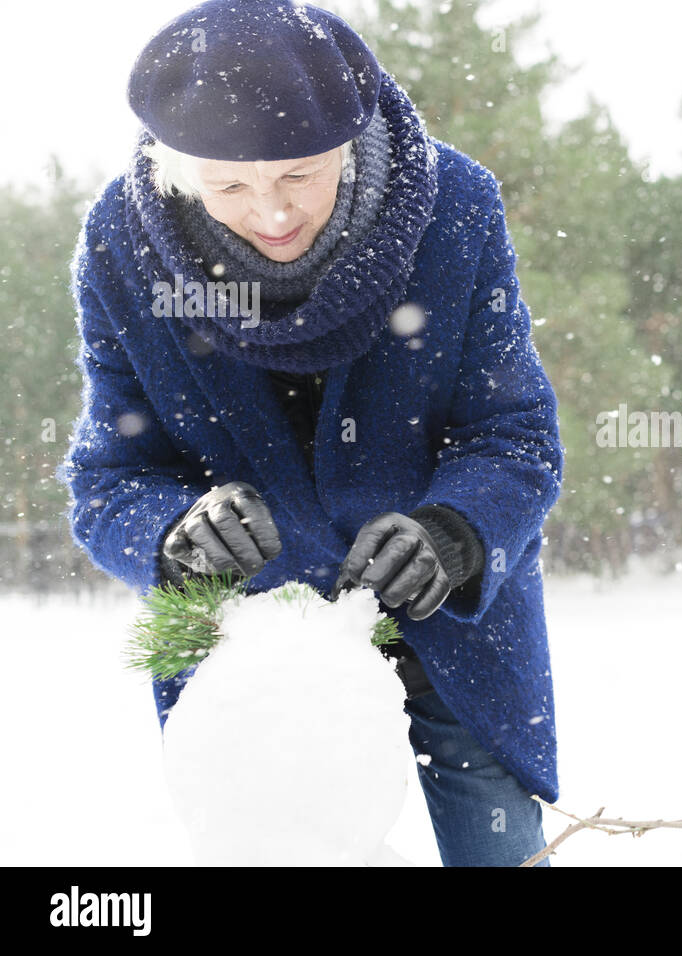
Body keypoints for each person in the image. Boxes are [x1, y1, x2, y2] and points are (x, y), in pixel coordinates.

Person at [56, 0, 563, 867]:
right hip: (257, 649)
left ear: (348, 141)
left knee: (499, 848)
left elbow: (515, 435)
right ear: (179, 170)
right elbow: (109, 479)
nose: (272, 213)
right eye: (230, 187)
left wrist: (455, 533)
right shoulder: (120, 247)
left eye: (298, 176)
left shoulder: (455, 207)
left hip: (446, 617)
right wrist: (176, 538)